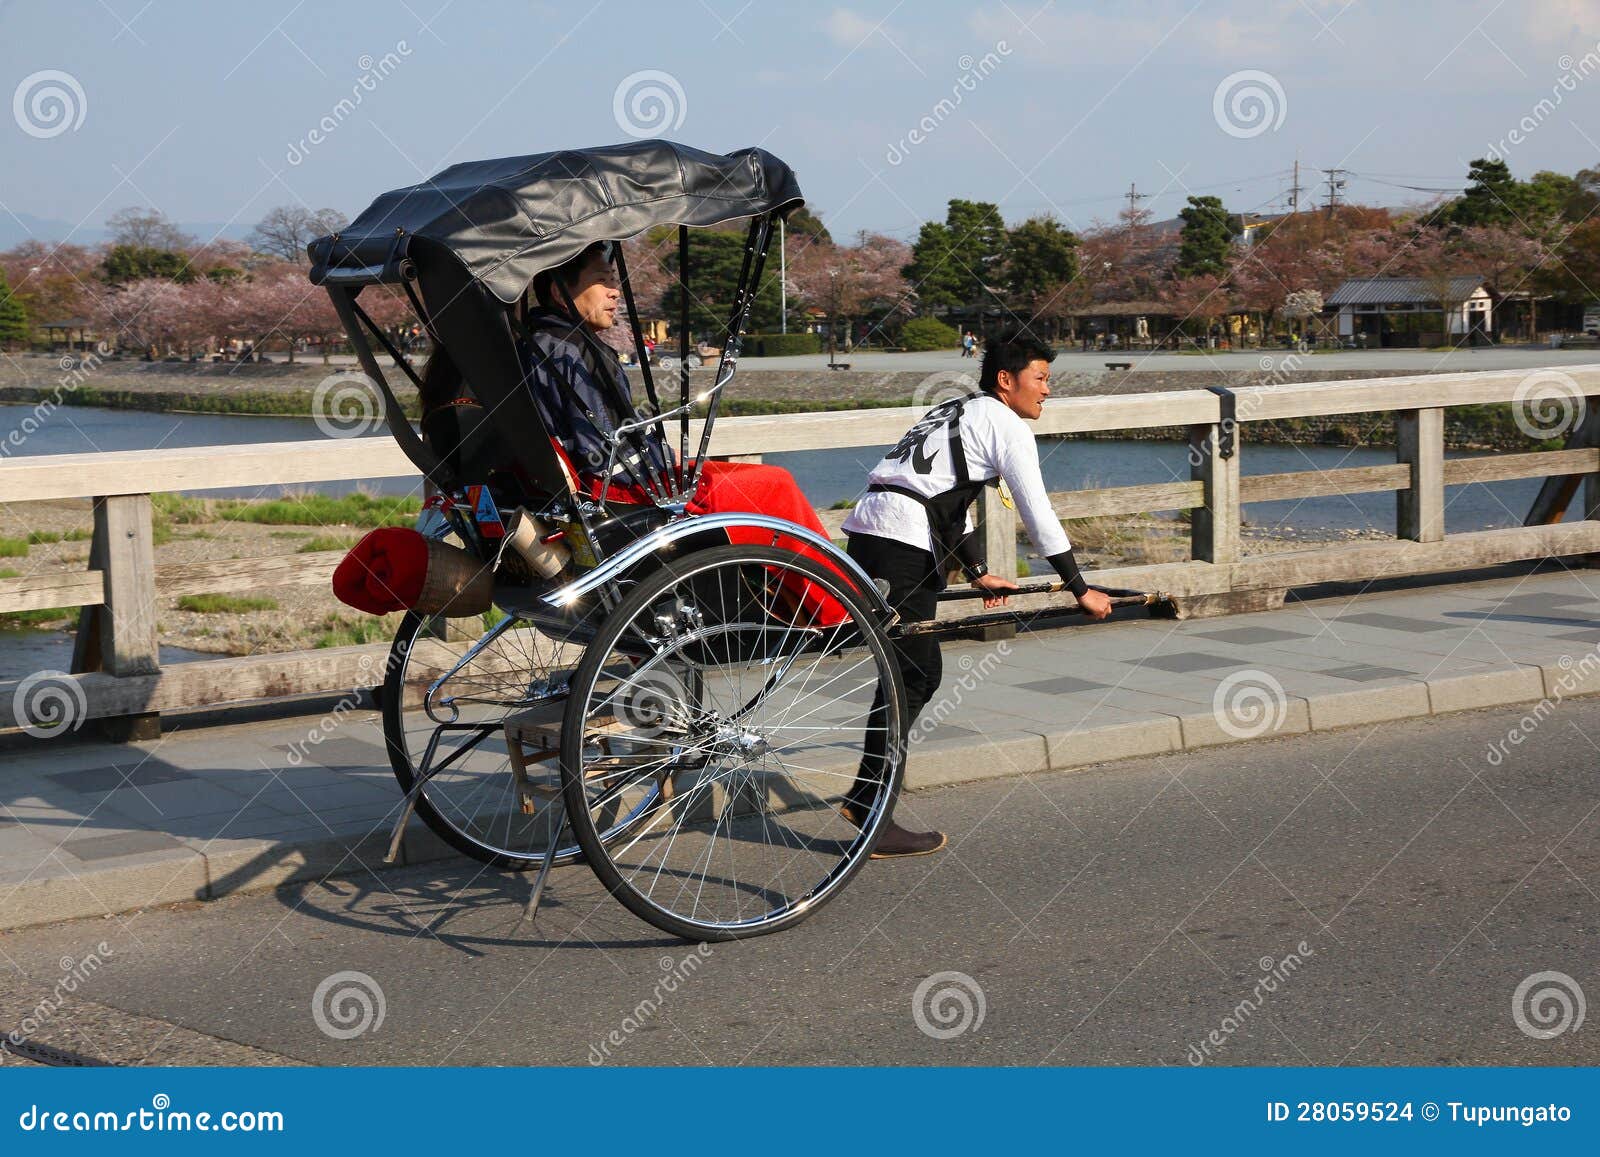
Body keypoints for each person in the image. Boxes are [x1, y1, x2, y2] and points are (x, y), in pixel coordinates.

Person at [840, 332, 1113, 857]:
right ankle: (871, 810)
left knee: (909, 671)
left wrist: (979, 571)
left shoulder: (958, 409)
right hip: (902, 541)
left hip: (874, 531)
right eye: (1041, 378)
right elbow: (1038, 513)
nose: (1047, 391)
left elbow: (942, 495)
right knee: (914, 674)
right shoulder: (1008, 426)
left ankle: (867, 799)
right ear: (1006, 381)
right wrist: (1079, 587)